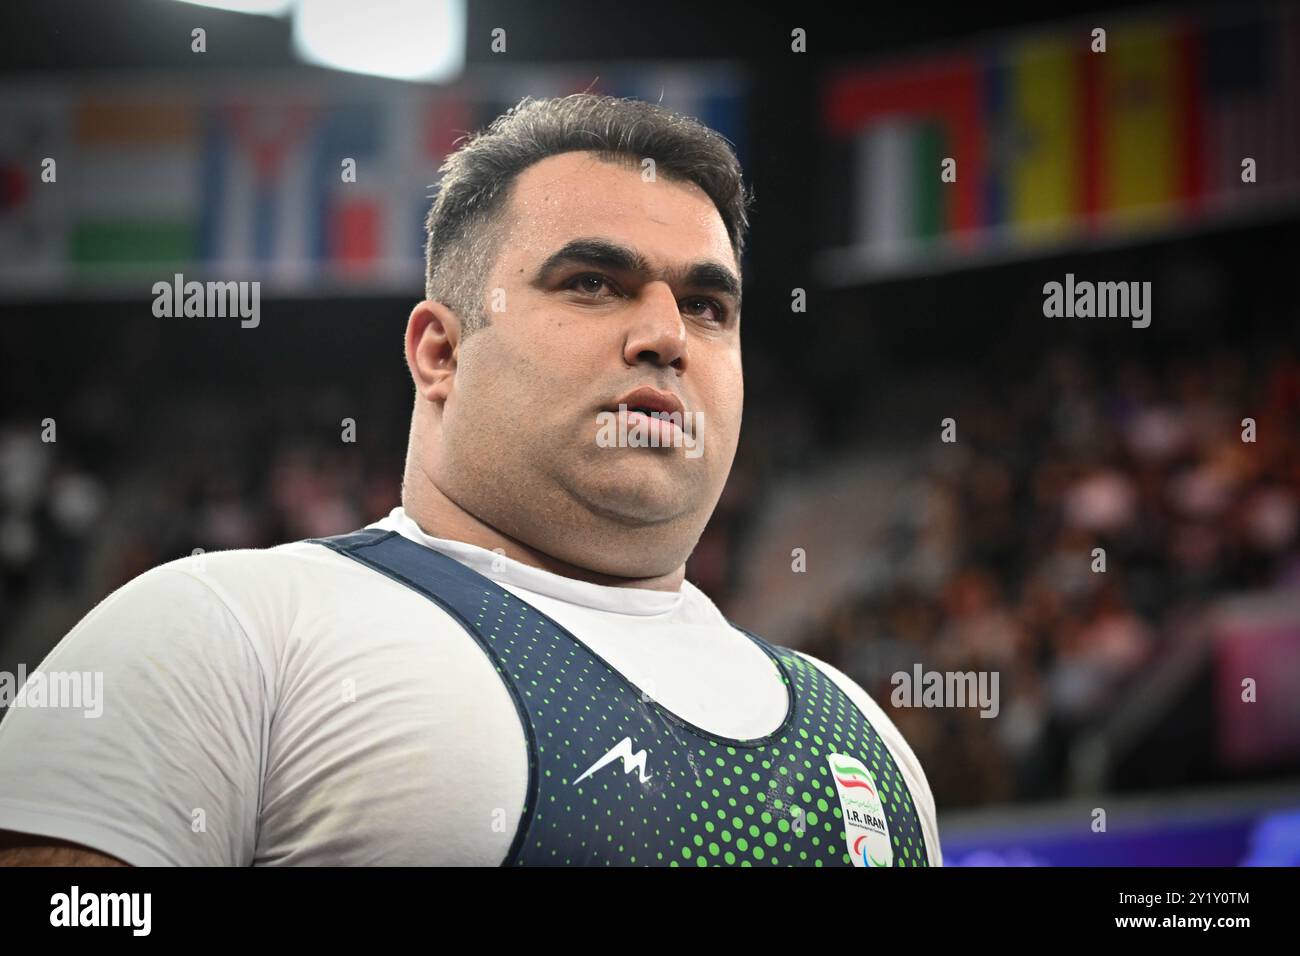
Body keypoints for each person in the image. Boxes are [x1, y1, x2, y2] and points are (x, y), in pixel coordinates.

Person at [0, 94, 940, 867]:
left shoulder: (865, 741)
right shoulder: (224, 635)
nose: (667, 335)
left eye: (706, 303)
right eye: (592, 283)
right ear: (441, 352)